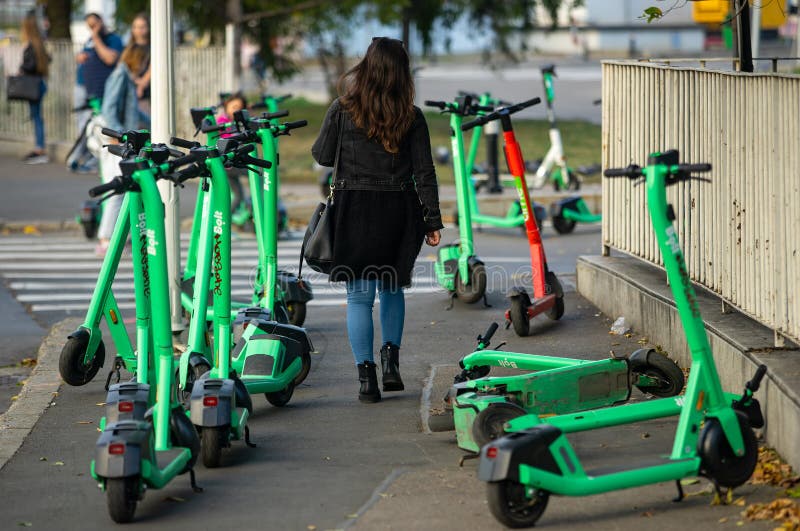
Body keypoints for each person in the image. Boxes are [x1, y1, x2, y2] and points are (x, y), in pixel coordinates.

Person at [311, 37, 443, 404]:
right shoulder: (411, 116)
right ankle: (391, 363)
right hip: (398, 210)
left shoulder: (342, 109)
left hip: (354, 208)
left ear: (365, 69)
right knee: (391, 288)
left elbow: (322, 156)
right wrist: (432, 220)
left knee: (358, 297)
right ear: (402, 73)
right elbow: (424, 172)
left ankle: (366, 379)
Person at [94, 28, 151, 256]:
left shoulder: (125, 76)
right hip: (115, 140)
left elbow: (135, 111)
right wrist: (118, 134)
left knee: (123, 187)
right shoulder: (120, 75)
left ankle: (116, 236)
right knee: (118, 187)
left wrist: (155, 127)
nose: (144, 66)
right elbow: (109, 109)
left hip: (122, 139)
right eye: (143, 61)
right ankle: (106, 238)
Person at [19, 12, 50, 164]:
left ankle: (39, 148)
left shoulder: (31, 45)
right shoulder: (39, 44)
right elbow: (48, 59)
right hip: (40, 83)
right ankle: (39, 147)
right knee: (37, 116)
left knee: (36, 117)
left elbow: (30, 65)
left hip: (33, 84)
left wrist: (21, 68)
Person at [216, 92, 248, 214]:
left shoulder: (241, 123)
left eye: (240, 108)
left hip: (235, 163)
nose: (236, 111)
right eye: (234, 107)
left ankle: (229, 217)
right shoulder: (223, 122)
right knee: (260, 173)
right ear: (226, 108)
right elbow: (224, 138)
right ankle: (226, 217)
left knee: (239, 196)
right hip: (230, 164)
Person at [128, 13, 151, 115]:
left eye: (142, 27)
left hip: (145, 96)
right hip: (129, 95)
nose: (139, 31)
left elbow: (152, 69)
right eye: (136, 27)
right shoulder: (129, 48)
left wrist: (141, 84)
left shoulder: (152, 47)